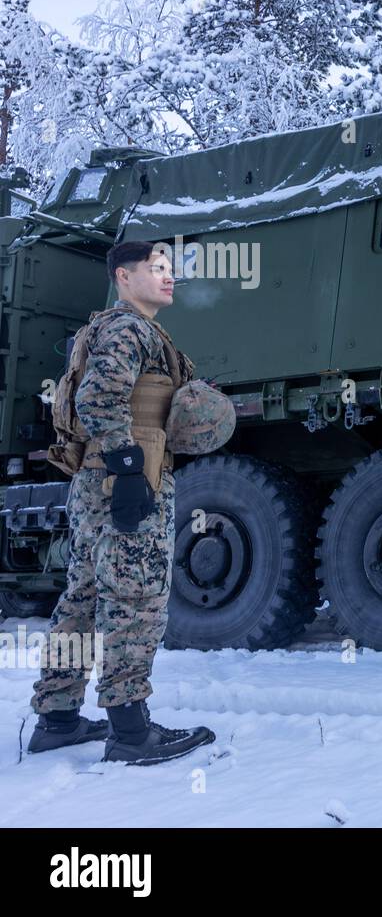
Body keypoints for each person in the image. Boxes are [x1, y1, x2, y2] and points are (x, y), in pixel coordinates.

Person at [29, 240, 217, 764]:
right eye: (155, 269)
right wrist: (129, 467)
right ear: (123, 277)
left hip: (96, 480)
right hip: (123, 479)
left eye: (170, 270)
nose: (168, 277)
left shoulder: (120, 328)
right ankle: (132, 733)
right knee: (136, 599)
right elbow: (97, 398)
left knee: (84, 596)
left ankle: (58, 718)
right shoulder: (129, 327)